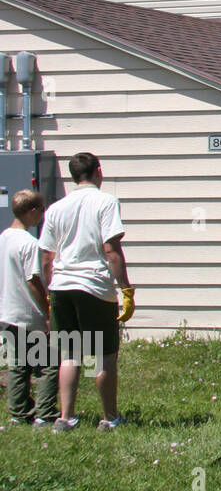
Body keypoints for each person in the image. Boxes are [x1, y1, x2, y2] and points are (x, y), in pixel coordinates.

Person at [37, 152, 133, 432]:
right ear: (98, 172)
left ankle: (65, 418)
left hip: (61, 286)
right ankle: (110, 417)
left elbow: (46, 257)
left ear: (72, 175)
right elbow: (111, 250)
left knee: (70, 354)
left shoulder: (56, 208)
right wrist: (126, 288)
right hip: (94, 286)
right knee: (103, 355)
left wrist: (48, 291)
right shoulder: (106, 202)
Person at [0, 191, 57, 427]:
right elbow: (33, 280)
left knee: (18, 365)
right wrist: (46, 311)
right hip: (28, 312)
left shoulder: (4, 238)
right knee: (46, 365)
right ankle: (44, 414)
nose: (42, 215)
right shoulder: (30, 244)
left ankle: (19, 412)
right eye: (41, 210)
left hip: (7, 311)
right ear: (31, 211)